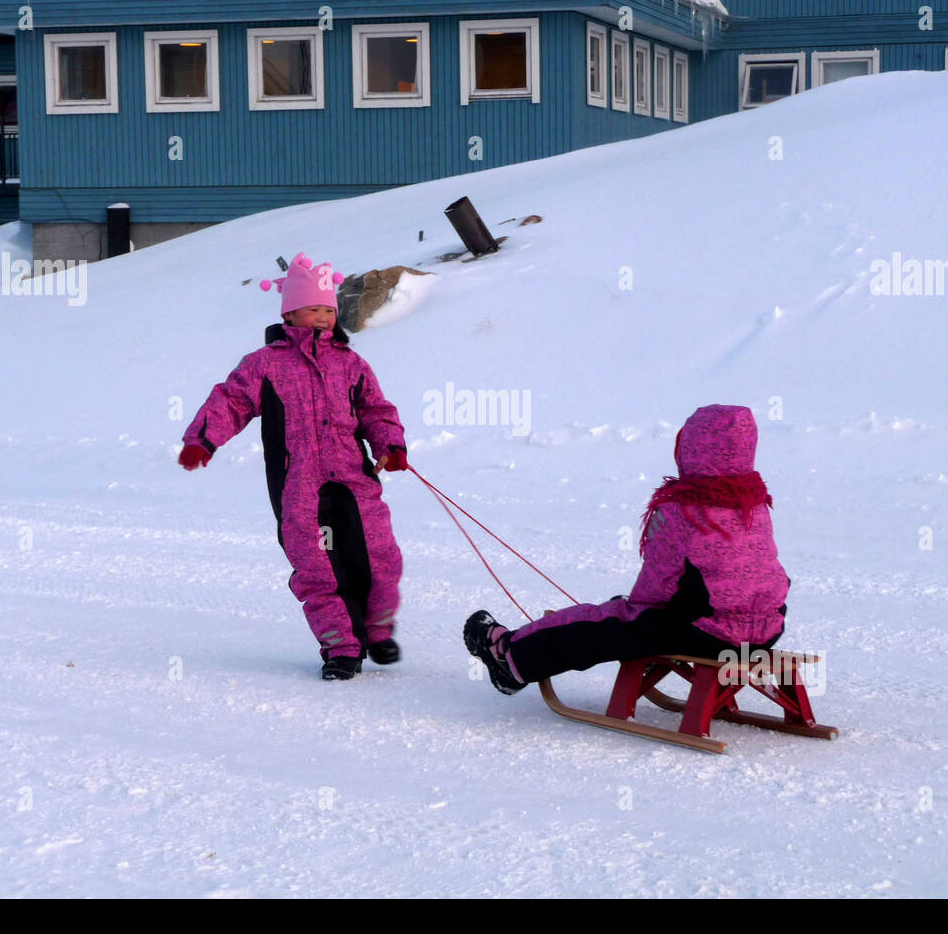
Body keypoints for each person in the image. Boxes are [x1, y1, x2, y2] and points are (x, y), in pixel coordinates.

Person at [178, 253, 409, 681]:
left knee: (379, 558)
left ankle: (376, 630)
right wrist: (203, 439)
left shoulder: (350, 364)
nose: (322, 317)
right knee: (317, 567)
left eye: (328, 310)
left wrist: (390, 444)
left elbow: (375, 409)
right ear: (289, 312)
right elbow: (230, 400)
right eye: (312, 309)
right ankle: (342, 645)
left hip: (355, 479)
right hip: (298, 485)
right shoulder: (266, 363)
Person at [464, 404, 789, 693]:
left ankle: (511, 658)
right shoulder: (756, 502)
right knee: (653, 612)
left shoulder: (682, 509)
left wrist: (634, 624)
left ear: (689, 449)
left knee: (602, 622)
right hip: (766, 628)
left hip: (708, 632)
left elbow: (656, 586)